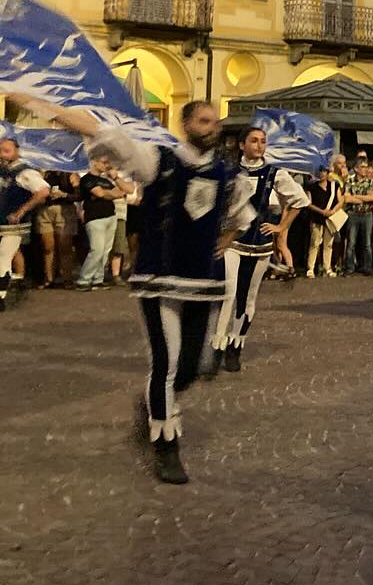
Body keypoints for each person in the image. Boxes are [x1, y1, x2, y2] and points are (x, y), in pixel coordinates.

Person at [22, 97, 253, 485]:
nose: (211, 127)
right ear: (186, 123)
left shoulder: (229, 172)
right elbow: (102, 132)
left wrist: (226, 238)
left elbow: (241, 214)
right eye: (203, 121)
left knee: (193, 369)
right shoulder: (157, 160)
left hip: (205, 282)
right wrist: (40, 104)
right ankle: (166, 443)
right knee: (166, 362)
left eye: (215, 122)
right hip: (159, 279)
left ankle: (154, 403)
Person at [213, 126, 306, 372]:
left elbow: (299, 200)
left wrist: (281, 227)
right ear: (242, 145)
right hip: (232, 243)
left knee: (248, 297)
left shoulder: (274, 172)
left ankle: (236, 344)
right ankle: (217, 345)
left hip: (259, 246)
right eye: (253, 141)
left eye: (263, 141)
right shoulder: (229, 170)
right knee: (229, 292)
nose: (259, 145)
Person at [0, 136, 49, 311]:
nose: (2, 155)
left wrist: (21, 211)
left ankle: (1, 296)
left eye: (6, 151)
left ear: (16, 151)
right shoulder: (3, 171)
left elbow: (43, 191)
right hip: (3, 221)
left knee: (4, 258)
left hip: (12, 225)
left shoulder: (25, 172)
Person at [76, 157, 125, 291]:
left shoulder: (105, 180)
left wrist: (107, 193)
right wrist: (109, 194)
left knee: (105, 251)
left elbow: (120, 192)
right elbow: (99, 193)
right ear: (94, 163)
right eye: (104, 163)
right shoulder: (87, 179)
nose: (106, 165)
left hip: (110, 216)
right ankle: (84, 279)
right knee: (96, 249)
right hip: (95, 217)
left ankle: (98, 278)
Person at [304, 165, 342, 278]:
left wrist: (332, 211)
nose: (321, 174)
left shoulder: (334, 185)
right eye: (319, 171)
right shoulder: (311, 187)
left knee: (328, 244)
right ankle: (311, 268)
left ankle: (327, 267)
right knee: (314, 243)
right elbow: (308, 203)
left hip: (330, 218)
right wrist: (321, 211)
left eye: (323, 171)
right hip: (316, 218)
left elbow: (340, 201)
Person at [344, 159, 373, 277]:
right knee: (351, 242)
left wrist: (356, 196)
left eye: (366, 167)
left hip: (367, 214)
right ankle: (349, 267)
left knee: (367, 243)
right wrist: (364, 197)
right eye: (363, 167)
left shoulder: (370, 181)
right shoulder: (350, 180)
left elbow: (372, 198)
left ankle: (367, 267)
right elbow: (347, 199)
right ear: (356, 169)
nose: (365, 169)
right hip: (353, 214)